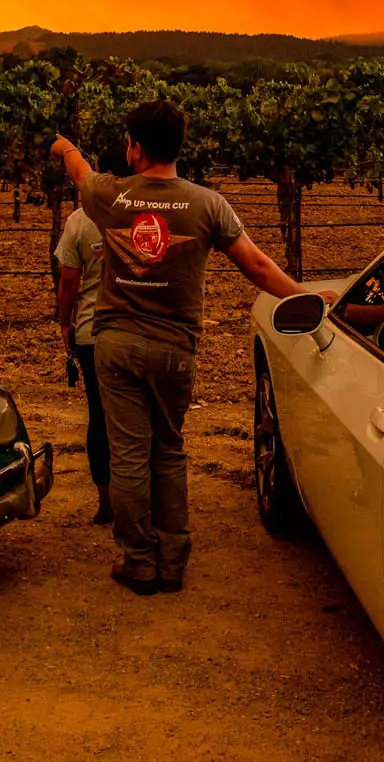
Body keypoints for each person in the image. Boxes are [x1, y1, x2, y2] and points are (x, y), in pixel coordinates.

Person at [51, 101, 319, 597]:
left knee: (129, 454)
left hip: (115, 344)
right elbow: (257, 267)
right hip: (176, 347)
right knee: (169, 449)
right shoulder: (207, 204)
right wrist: (310, 300)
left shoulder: (111, 197)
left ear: (134, 147)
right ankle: (173, 561)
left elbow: (80, 171)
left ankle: (139, 563)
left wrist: (64, 145)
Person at [53, 144, 129, 526]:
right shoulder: (145, 213)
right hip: (135, 330)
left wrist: (64, 322)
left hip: (92, 333)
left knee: (99, 416)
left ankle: (105, 500)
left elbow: (69, 279)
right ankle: (139, 499)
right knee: (135, 419)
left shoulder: (80, 221)